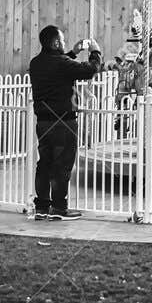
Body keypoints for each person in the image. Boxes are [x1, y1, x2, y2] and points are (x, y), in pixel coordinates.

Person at [28, 25, 105, 222]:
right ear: (55, 43)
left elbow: (58, 67)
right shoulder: (61, 63)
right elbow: (90, 70)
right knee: (62, 166)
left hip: (44, 123)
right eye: (61, 41)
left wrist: (73, 52)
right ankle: (59, 208)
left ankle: (42, 207)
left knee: (44, 164)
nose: (63, 44)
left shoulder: (36, 63)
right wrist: (95, 51)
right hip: (63, 122)